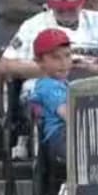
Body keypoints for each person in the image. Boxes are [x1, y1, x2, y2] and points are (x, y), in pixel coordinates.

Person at [26, 28, 73, 166]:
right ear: (39, 61)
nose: (64, 62)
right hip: (60, 137)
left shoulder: (65, 83)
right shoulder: (47, 86)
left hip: (71, 132)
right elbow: (68, 115)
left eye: (67, 55)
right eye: (56, 58)